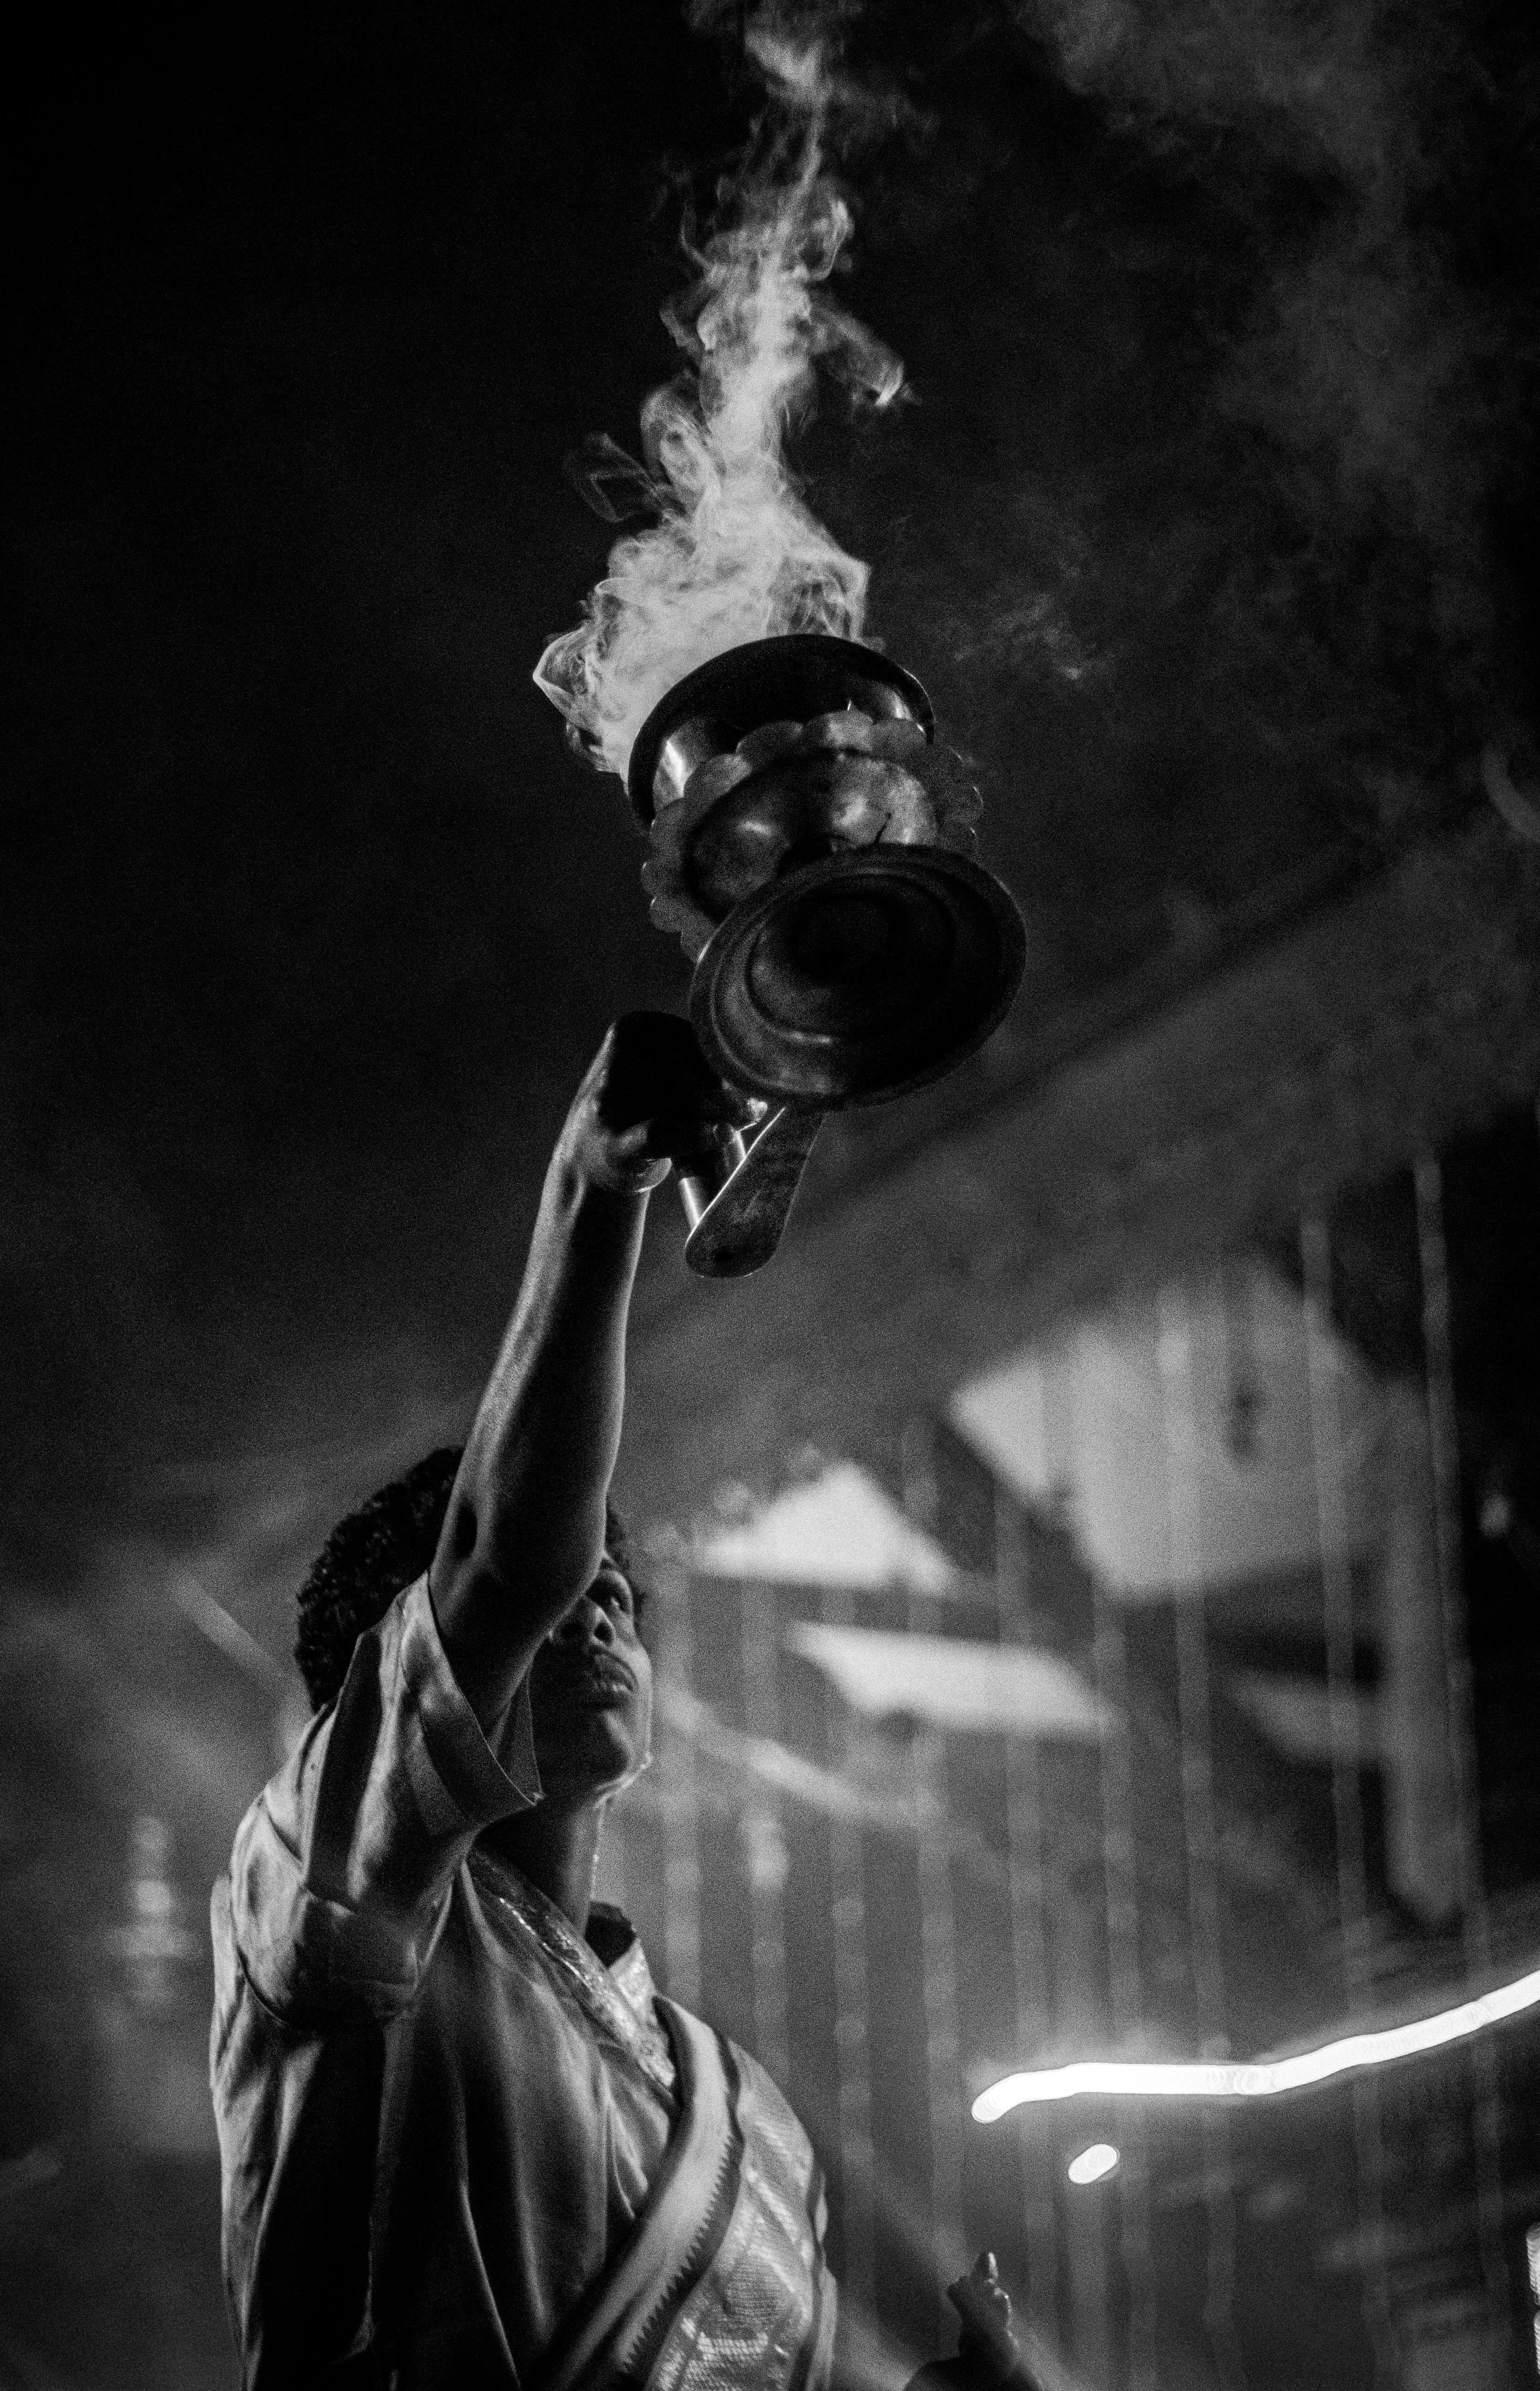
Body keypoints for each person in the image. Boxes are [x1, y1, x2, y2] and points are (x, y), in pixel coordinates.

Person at [210, 1012, 1024, 2390]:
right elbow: (503, 1556)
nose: (597, 1604)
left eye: (618, 1595)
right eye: (559, 1586)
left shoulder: (747, 2110)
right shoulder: (314, 1880)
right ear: (389, 1694)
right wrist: (595, 1190)